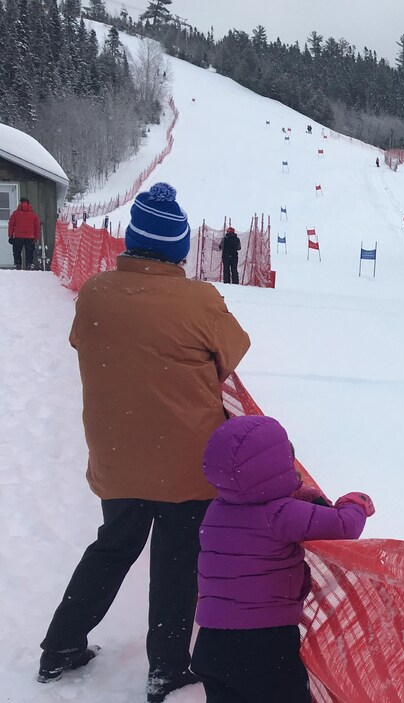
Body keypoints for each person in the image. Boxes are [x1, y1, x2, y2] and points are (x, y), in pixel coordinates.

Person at [38, 182, 251, 703]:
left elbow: (81, 339)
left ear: (130, 241)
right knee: (177, 562)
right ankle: (166, 670)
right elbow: (235, 351)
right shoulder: (199, 300)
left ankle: (61, 646)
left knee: (112, 547)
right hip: (185, 463)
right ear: (179, 249)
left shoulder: (94, 292)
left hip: (117, 458)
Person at [191, 415, 374, 703]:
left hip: (211, 645)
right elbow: (343, 526)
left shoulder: (216, 510)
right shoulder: (280, 513)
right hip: (263, 646)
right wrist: (356, 503)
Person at [8, 196, 41, 270]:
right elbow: (37, 227)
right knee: (29, 252)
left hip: (18, 236)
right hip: (30, 236)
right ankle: (29, 264)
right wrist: (36, 237)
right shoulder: (33, 214)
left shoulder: (15, 213)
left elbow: (11, 225)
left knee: (17, 251)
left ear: (20, 203)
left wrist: (10, 236)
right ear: (29, 204)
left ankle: (18, 264)